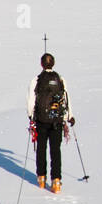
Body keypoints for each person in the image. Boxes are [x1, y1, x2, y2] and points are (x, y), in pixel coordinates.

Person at [28, 52, 75, 193]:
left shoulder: (36, 79)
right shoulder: (60, 79)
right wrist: (69, 116)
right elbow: (65, 98)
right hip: (57, 120)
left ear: (41, 64)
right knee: (56, 150)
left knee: (41, 149)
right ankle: (56, 181)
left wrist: (31, 116)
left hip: (41, 120)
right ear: (53, 63)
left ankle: (41, 178)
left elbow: (31, 99)